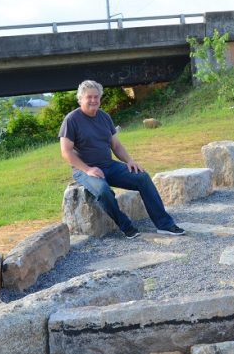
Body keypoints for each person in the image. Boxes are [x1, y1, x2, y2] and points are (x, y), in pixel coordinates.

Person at [59, 80, 185, 239]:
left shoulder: (104, 117)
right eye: (89, 97)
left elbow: (116, 146)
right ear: (80, 99)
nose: (93, 100)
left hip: (109, 166)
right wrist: (88, 169)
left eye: (96, 97)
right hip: (84, 170)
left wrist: (130, 161)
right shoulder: (72, 120)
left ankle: (165, 224)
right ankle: (126, 226)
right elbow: (66, 152)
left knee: (142, 177)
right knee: (104, 192)